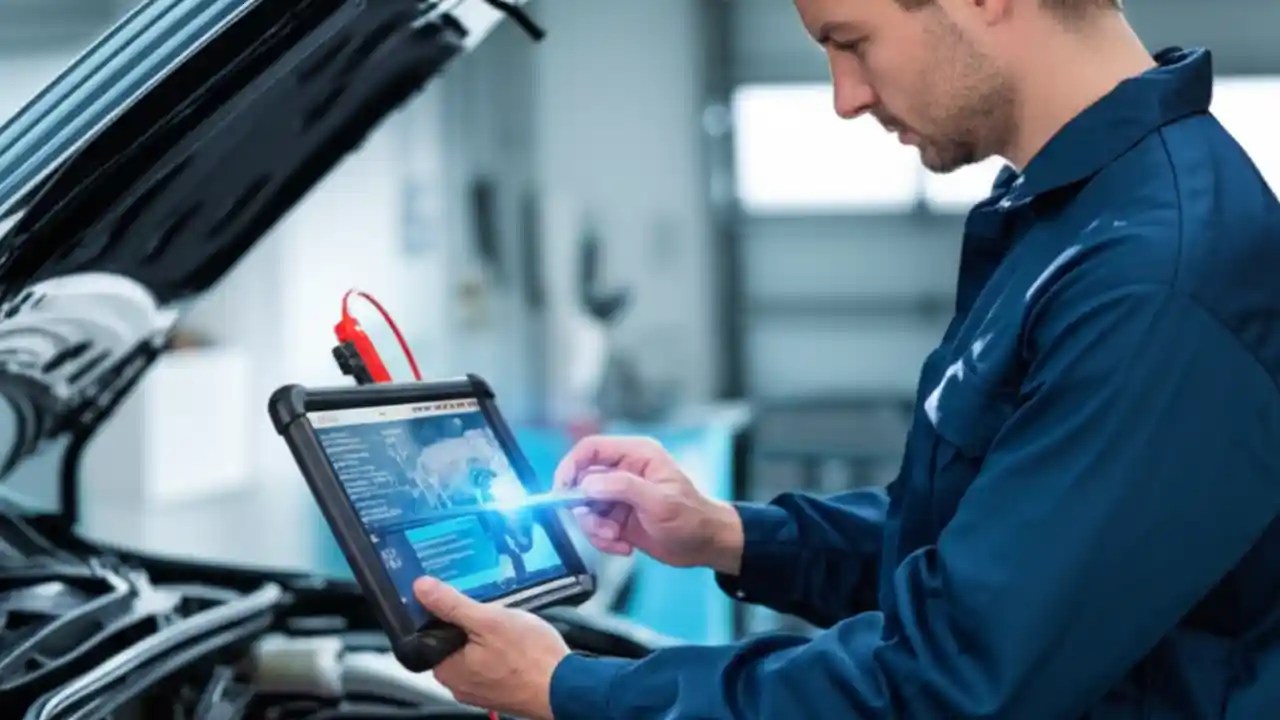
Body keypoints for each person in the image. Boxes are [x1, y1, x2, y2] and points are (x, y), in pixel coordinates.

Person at [411, 0, 1280, 717]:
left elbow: (946, 686)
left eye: (849, 42)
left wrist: (573, 689)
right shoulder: (1068, 219)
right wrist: (729, 535)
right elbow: (968, 552)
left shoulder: (1152, 271)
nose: (845, 97)